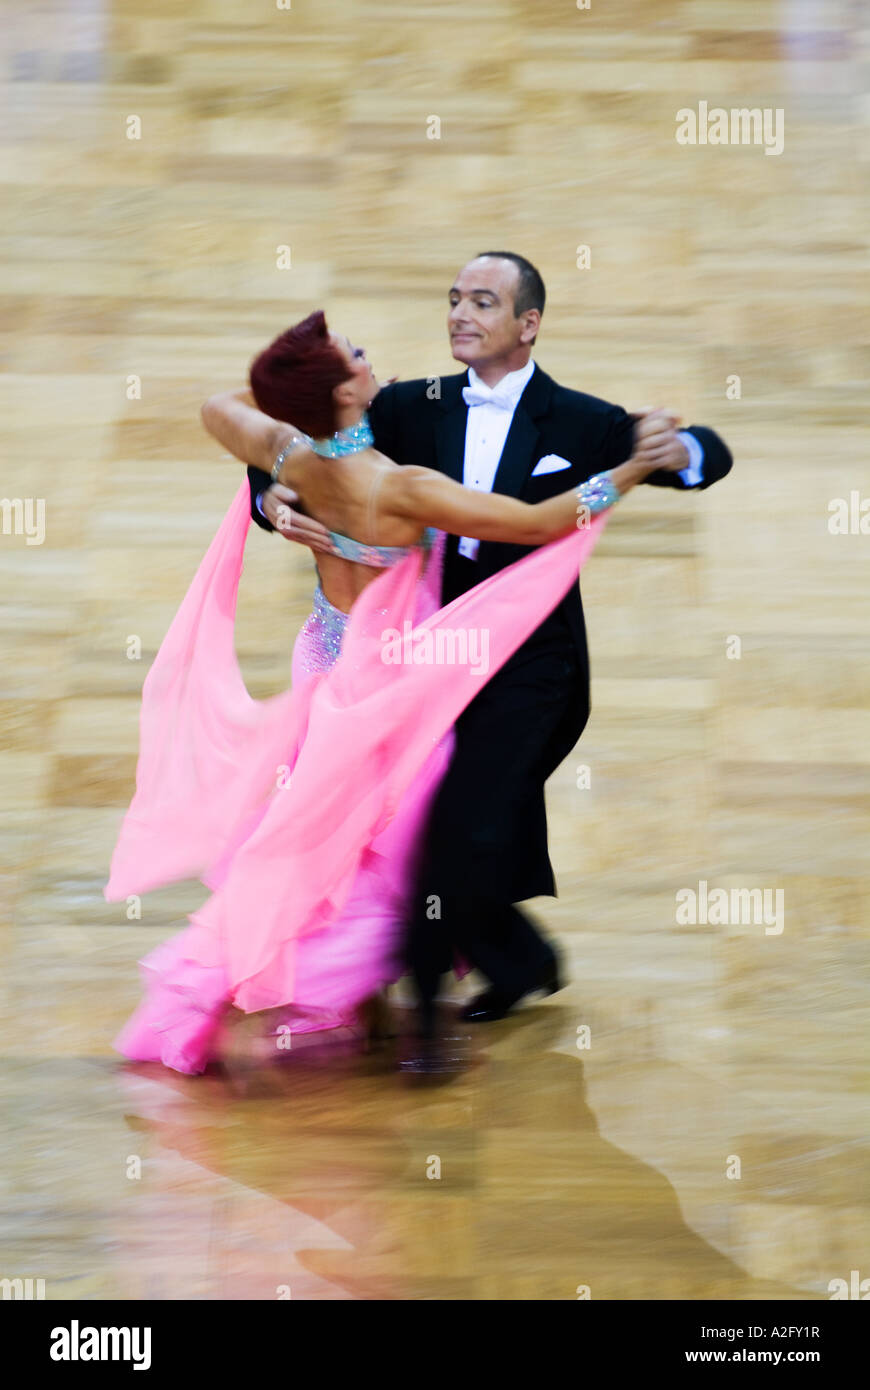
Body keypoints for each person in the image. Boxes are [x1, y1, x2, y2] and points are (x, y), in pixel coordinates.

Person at [106, 308, 683, 1076]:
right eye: (355, 355)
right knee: (395, 841)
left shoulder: (291, 455)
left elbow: (218, 408)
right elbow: (542, 521)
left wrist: (277, 490)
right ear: (345, 394)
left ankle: (377, 1007)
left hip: (322, 663)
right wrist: (629, 472)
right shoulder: (397, 488)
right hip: (390, 682)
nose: (368, 357)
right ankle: (411, 996)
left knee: (330, 828)